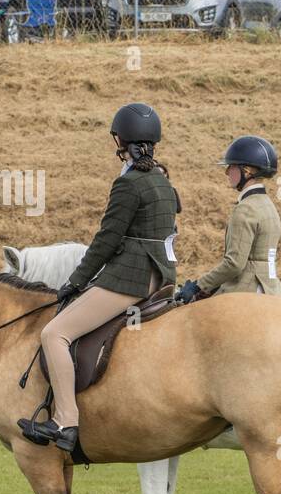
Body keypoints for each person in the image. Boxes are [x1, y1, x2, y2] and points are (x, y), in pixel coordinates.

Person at [27, 103, 179, 452]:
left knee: (54, 333)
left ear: (120, 141)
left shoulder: (128, 184)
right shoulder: (162, 180)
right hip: (162, 276)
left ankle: (65, 421)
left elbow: (107, 240)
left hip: (131, 278)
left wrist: (76, 281)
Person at [177, 135, 281, 302]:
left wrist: (199, 285)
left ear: (246, 171)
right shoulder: (269, 206)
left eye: (231, 166)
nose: (227, 172)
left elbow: (234, 264)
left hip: (246, 290)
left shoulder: (246, 209)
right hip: (272, 290)